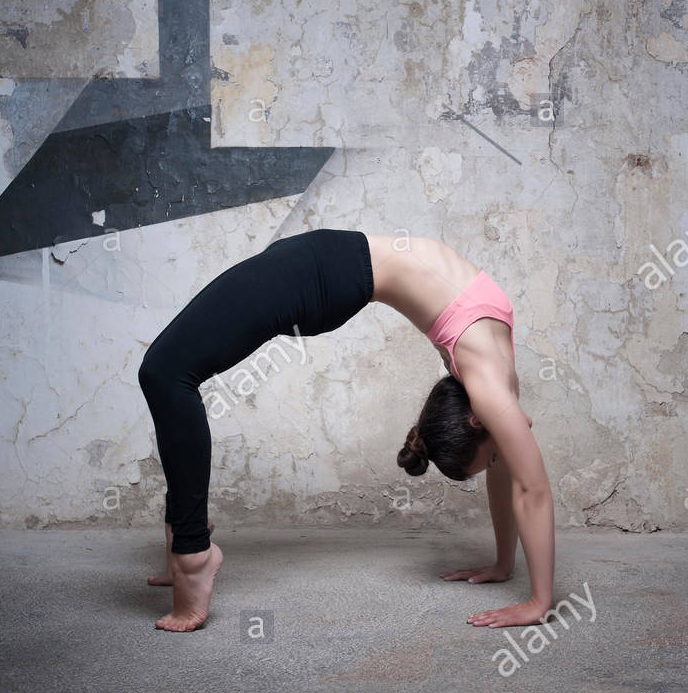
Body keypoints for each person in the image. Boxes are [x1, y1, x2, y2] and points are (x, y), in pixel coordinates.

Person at [137, 229, 554, 632]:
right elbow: (531, 489)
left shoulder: (495, 383)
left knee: (166, 371)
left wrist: (504, 564)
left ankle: (187, 543)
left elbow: (511, 474)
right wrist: (539, 602)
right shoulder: (489, 384)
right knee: (166, 373)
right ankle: (191, 551)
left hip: (331, 264)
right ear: (476, 420)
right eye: (494, 453)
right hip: (324, 272)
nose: (505, 449)